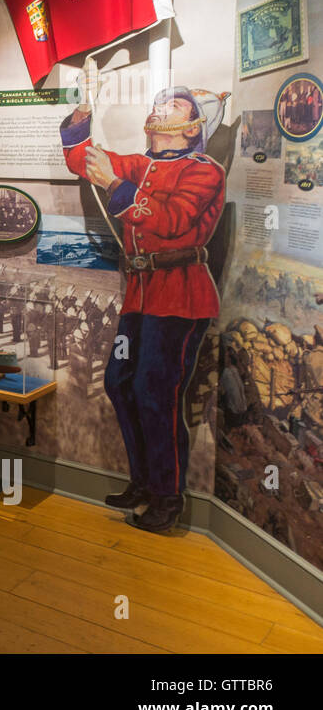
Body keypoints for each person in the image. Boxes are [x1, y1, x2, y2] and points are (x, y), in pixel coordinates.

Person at [61, 86, 225, 533]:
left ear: (192, 127)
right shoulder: (141, 164)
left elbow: (172, 221)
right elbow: (82, 160)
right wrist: (81, 116)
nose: (161, 107)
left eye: (174, 105)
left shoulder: (205, 171)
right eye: (160, 103)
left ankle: (168, 498)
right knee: (119, 383)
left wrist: (115, 186)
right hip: (141, 295)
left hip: (180, 296)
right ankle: (143, 482)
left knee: (158, 394)